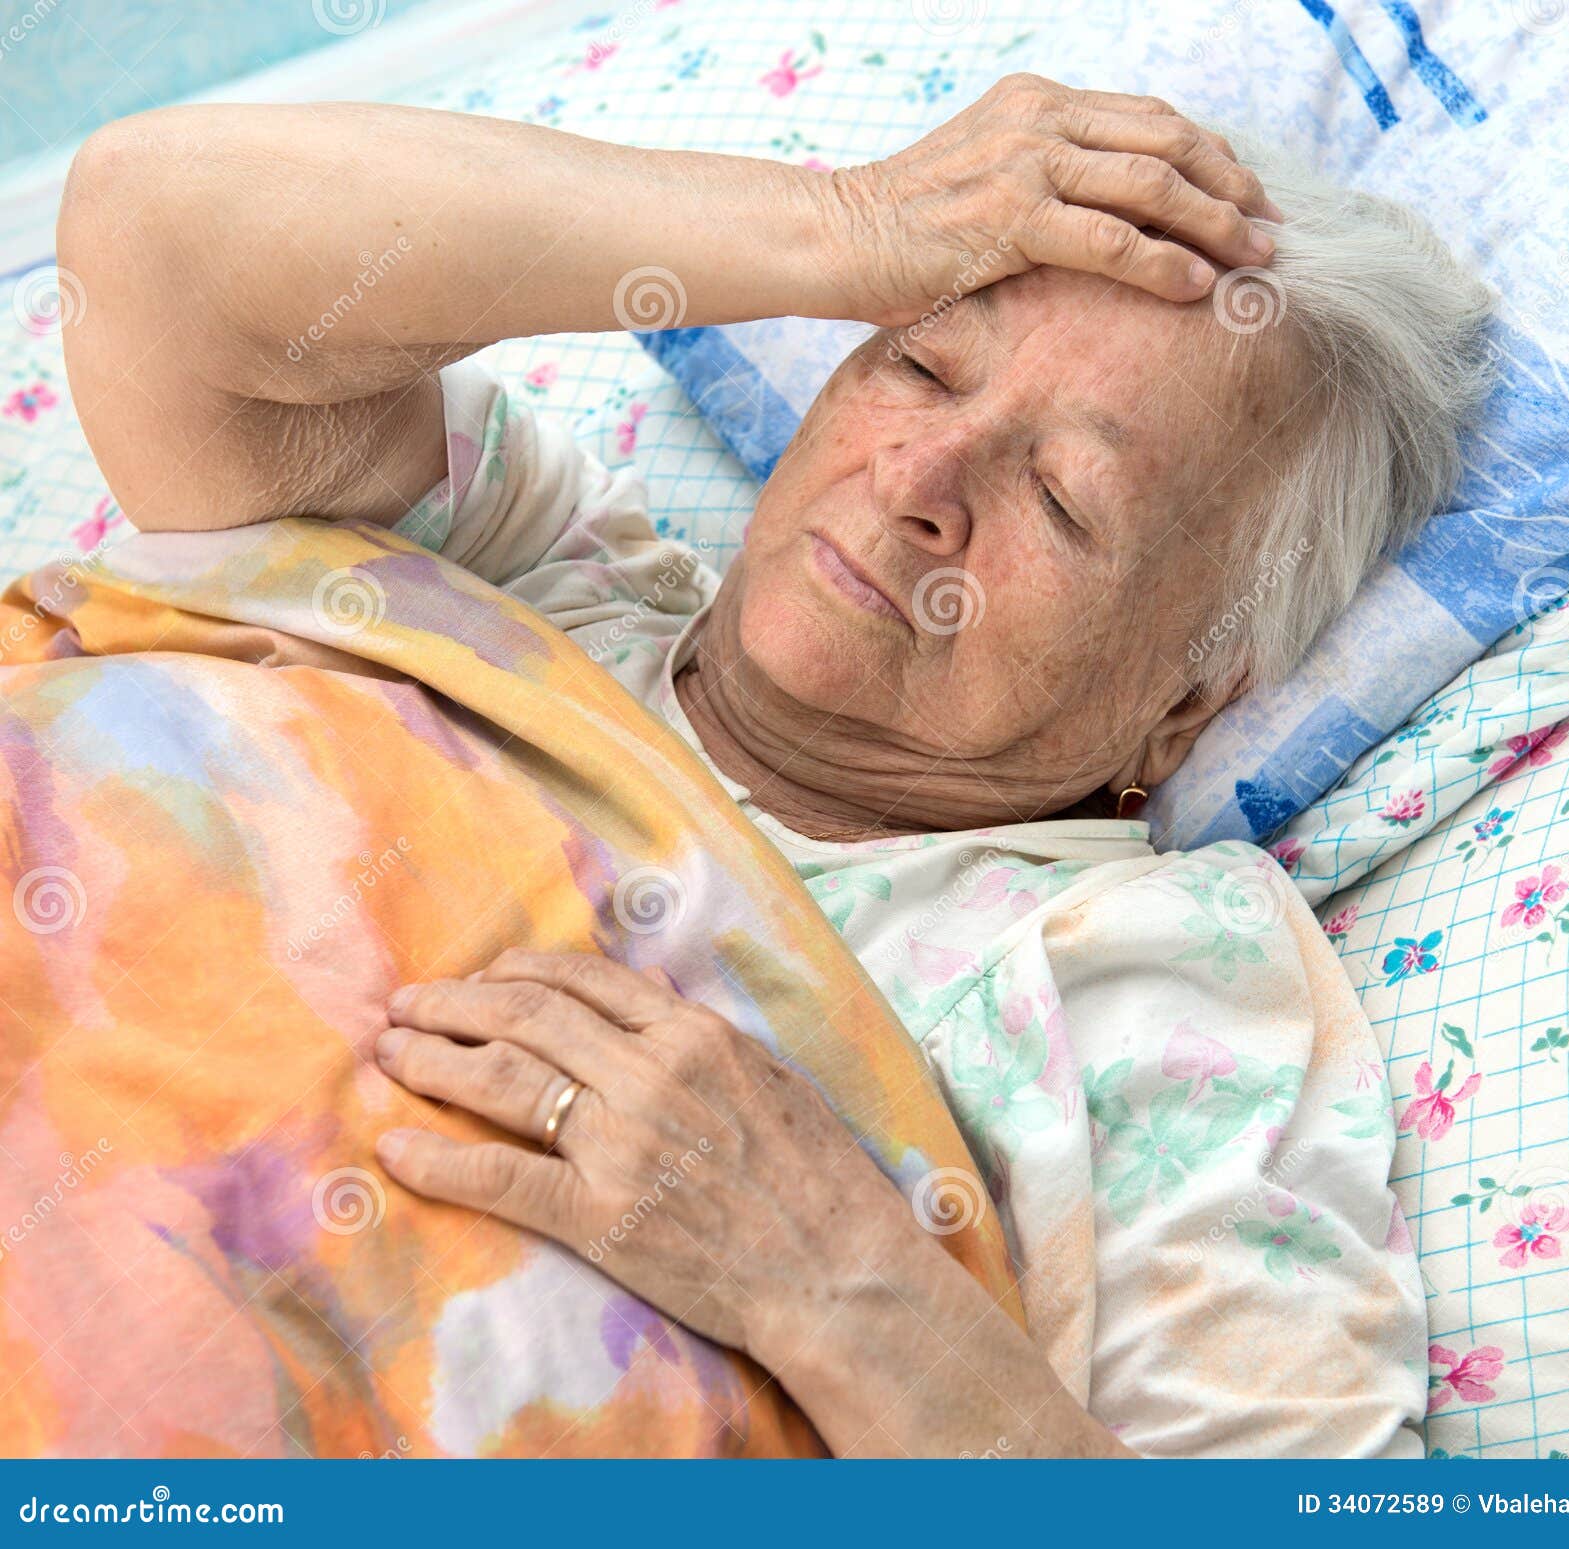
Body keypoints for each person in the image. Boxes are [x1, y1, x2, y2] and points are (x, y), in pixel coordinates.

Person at [56, 74, 1493, 1456]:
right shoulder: (512, 570)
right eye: (919, 363)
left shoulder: (1143, 979)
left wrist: (842, 1288)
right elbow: (150, 229)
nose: (918, 481)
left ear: (1188, 702)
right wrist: (848, 227)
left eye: (1063, 499)